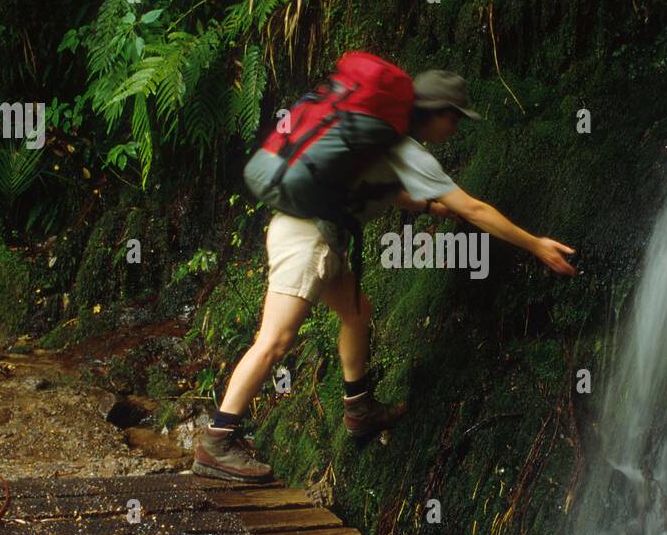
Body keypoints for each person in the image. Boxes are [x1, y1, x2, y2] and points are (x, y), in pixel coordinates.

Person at [192, 69, 577, 480]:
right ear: (435, 113)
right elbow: (475, 210)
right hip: (306, 240)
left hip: (322, 236)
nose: (455, 127)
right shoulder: (406, 149)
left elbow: (378, 188)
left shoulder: (381, 143)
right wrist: (535, 244)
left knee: (358, 314)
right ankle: (217, 440)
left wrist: (429, 208)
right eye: (454, 118)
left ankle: (359, 409)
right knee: (275, 340)